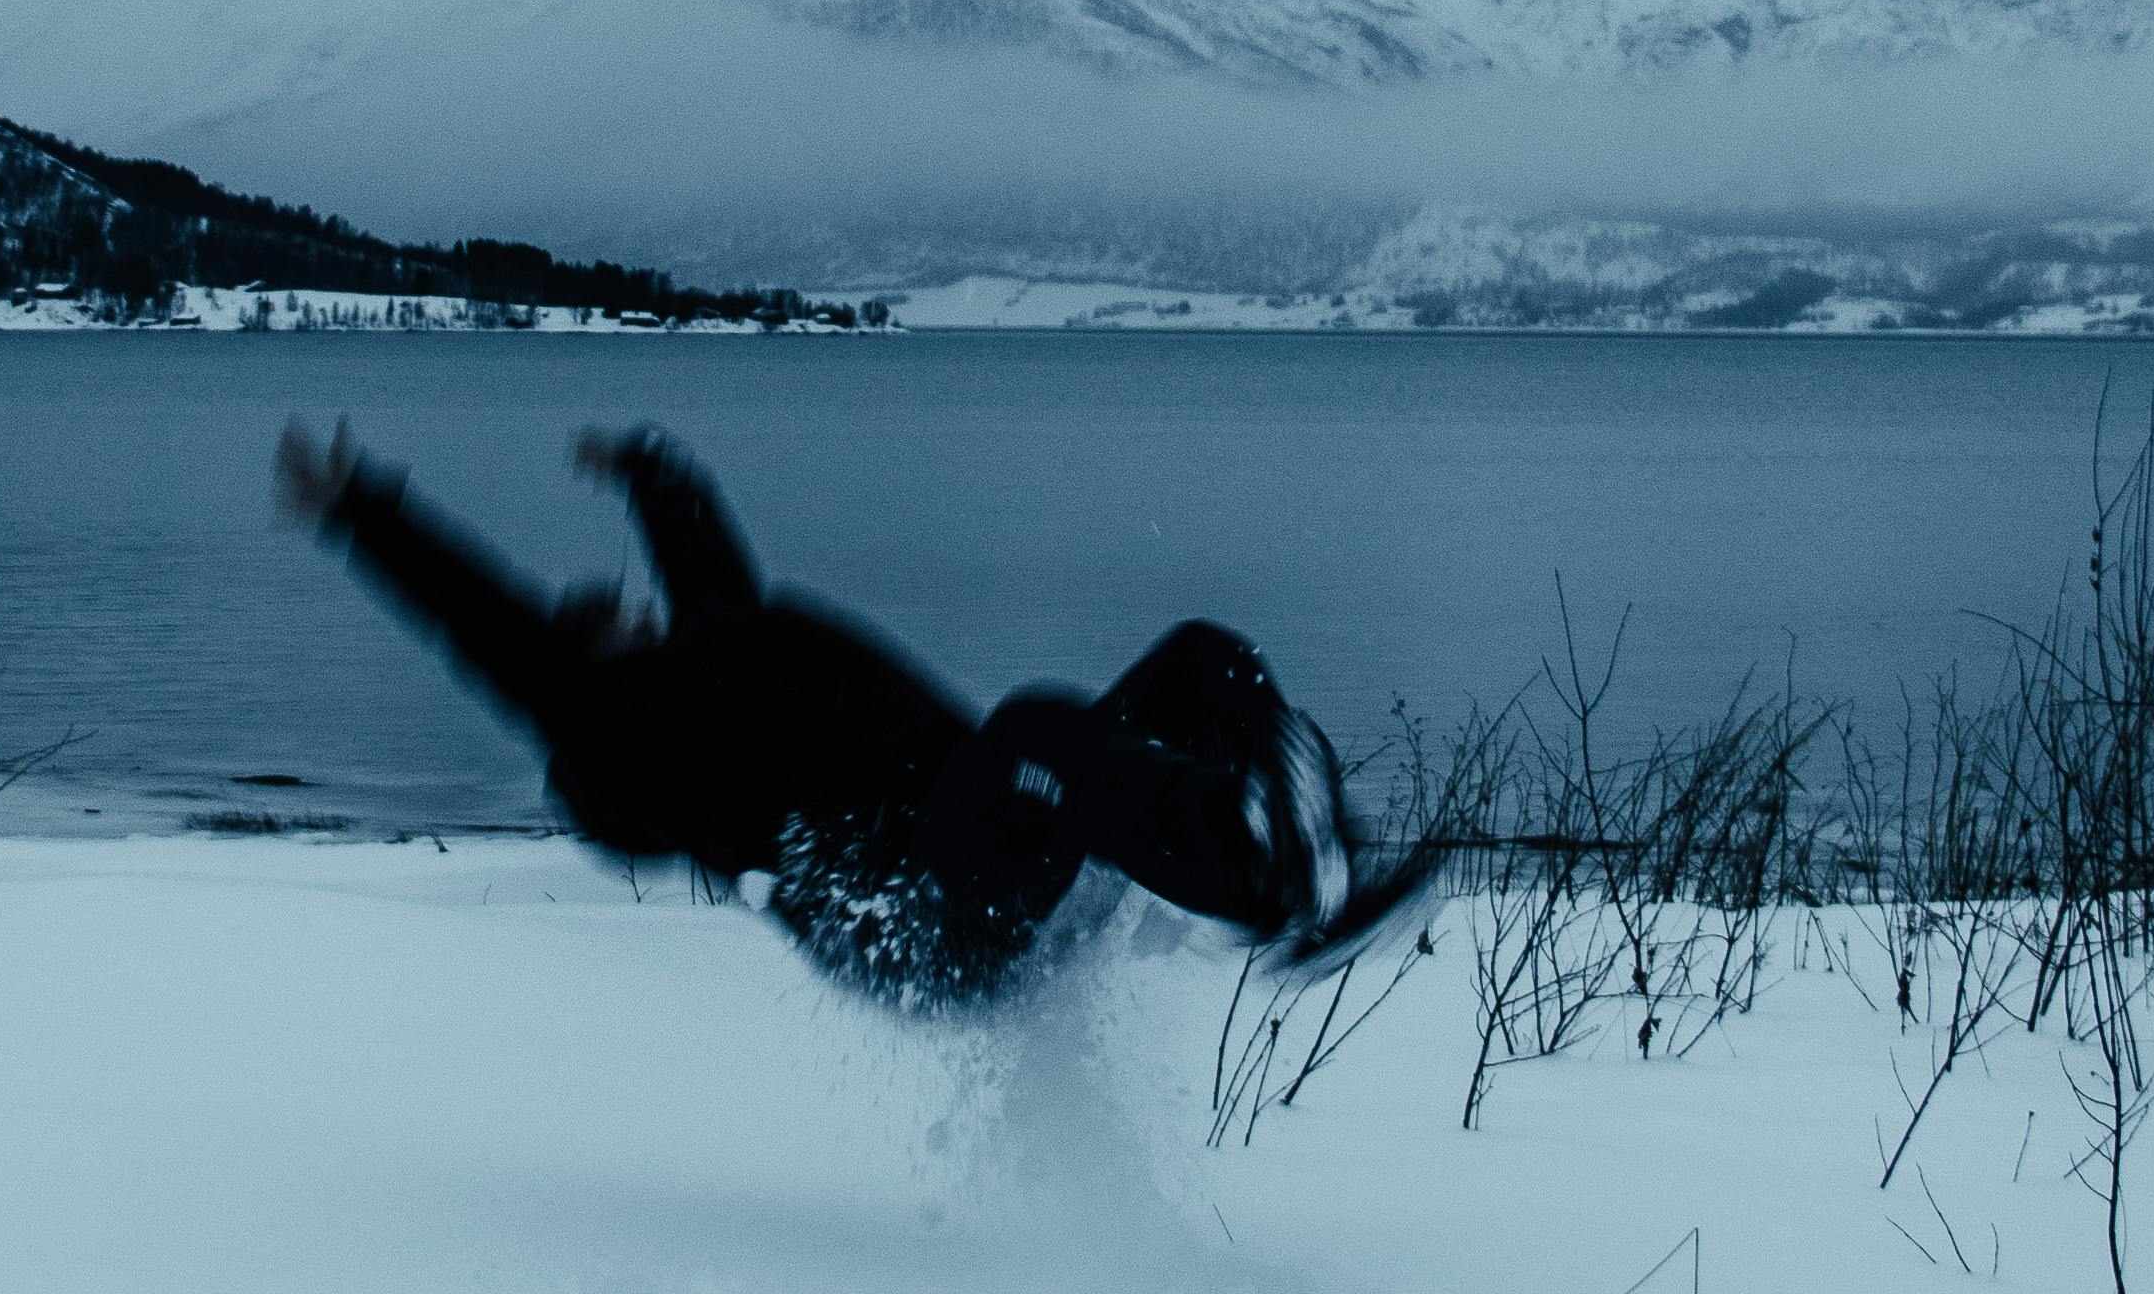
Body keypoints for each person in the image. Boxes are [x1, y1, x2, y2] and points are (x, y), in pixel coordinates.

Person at [275, 412, 1360, 990]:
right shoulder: (620, 737)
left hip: (975, 845)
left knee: (1201, 659)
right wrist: (365, 513)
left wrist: (649, 467)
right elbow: (485, 622)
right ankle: (1251, 875)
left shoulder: (716, 654)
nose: (634, 606)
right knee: (1038, 731)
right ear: (581, 657)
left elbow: (703, 566)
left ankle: (1315, 868)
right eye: (604, 611)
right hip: (910, 924)